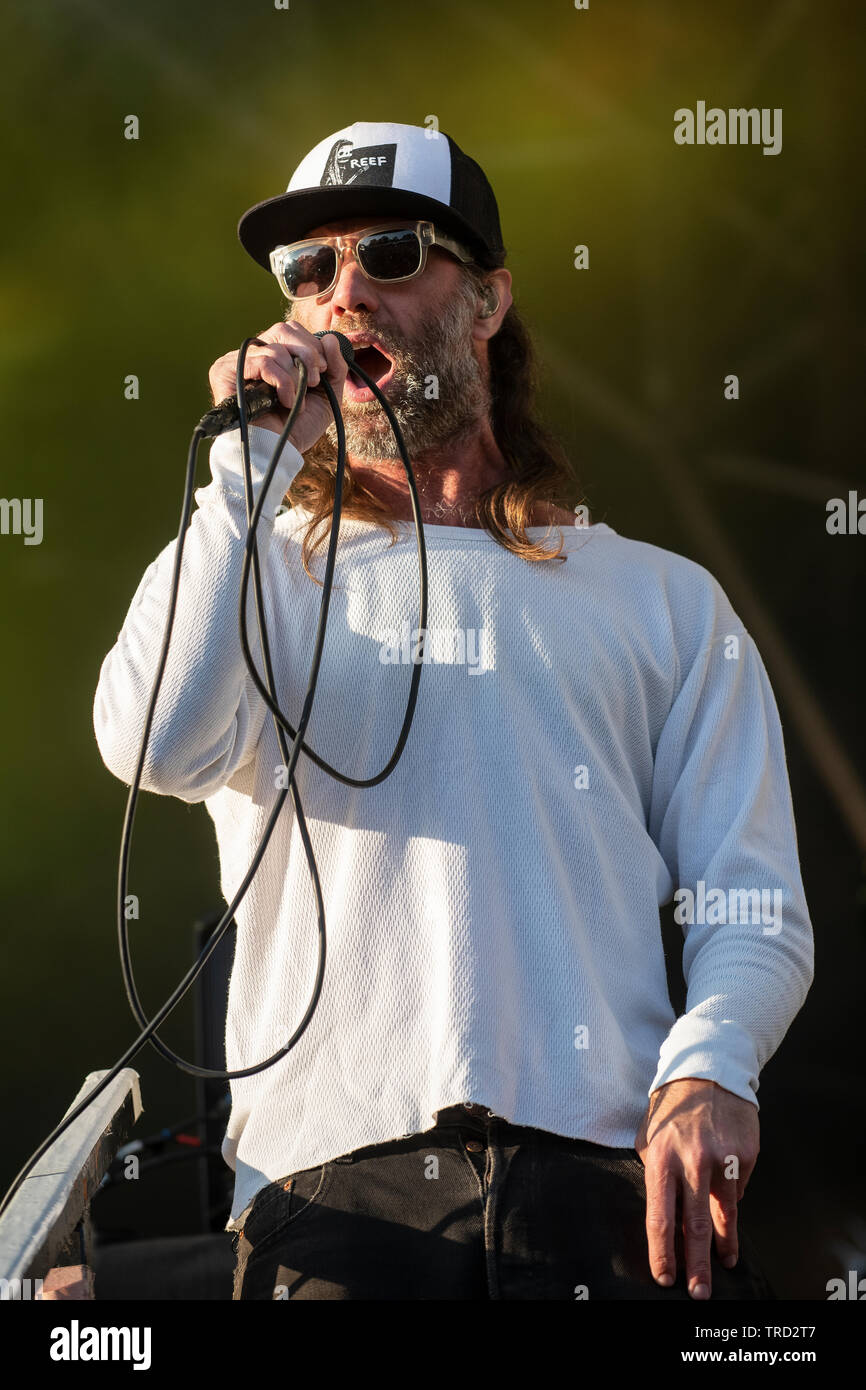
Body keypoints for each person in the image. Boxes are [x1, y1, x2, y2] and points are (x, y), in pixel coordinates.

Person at [92, 120, 814, 1301]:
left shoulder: (658, 601)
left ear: (486, 301)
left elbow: (753, 901)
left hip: (598, 1194)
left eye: (385, 253)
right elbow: (155, 744)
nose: (341, 296)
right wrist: (247, 458)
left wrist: (707, 1066)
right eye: (306, 271)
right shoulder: (255, 567)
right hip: (330, 1196)